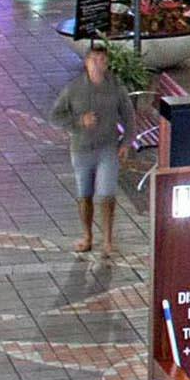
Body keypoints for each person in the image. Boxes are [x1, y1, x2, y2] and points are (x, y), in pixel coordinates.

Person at [53, 41, 147, 260]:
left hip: (107, 149)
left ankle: (108, 239)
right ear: (86, 63)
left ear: (107, 64)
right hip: (82, 149)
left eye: (102, 61)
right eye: (94, 60)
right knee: (84, 194)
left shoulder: (116, 88)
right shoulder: (74, 89)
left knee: (107, 195)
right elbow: (56, 116)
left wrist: (126, 143)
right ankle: (87, 236)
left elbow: (129, 116)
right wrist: (79, 121)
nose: (98, 65)